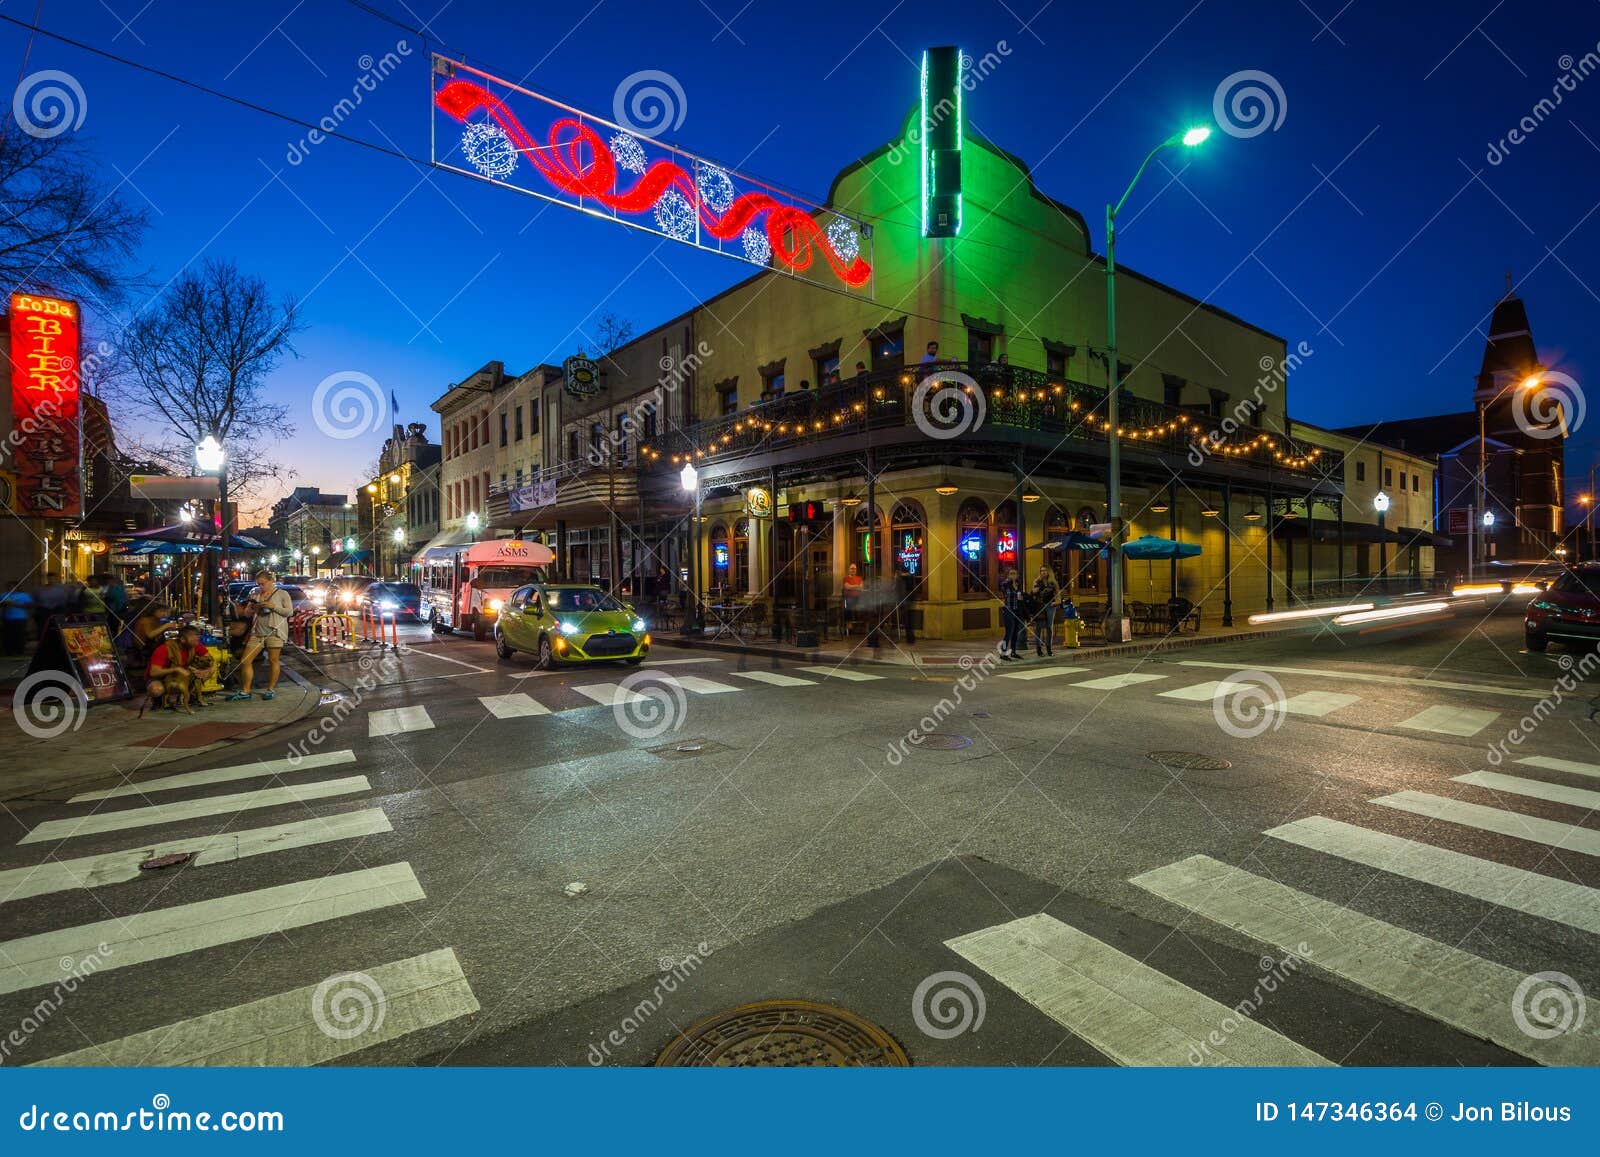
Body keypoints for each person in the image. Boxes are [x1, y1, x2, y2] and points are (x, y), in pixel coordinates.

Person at [228, 571, 293, 701]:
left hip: (274, 631)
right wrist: (251, 608)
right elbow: (247, 615)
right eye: (258, 584)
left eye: (263, 584)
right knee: (245, 660)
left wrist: (273, 606)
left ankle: (270, 689)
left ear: (271, 581)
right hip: (257, 632)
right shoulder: (255, 595)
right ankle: (246, 690)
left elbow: (289, 612)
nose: (261, 587)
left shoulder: (282, 594)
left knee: (273, 660)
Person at [146, 623, 213, 707]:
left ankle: (190, 694)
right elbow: (154, 672)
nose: (196, 638)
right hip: (162, 677)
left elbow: (210, 659)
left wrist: (206, 670)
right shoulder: (164, 649)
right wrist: (176, 669)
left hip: (181, 676)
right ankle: (160, 698)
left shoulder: (195, 645)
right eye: (192, 636)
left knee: (211, 670)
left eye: (197, 635)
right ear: (182, 639)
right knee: (156, 689)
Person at [1032, 565, 1060, 656]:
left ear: (1049, 572)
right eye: (1041, 571)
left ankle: (1049, 648)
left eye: (1045, 570)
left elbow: (1057, 594)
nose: (1043, 572)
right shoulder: (1037, 581)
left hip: (1050, 606)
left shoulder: (1053, 583)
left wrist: (1057, 602)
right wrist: (1037, 589)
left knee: (1049, 627)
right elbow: (1033, 592)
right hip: (1039, 606)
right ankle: (1039, 649)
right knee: (1038, 628)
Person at [998, 566, 1025, 660]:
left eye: (1015, 573)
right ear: (1008, 575)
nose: (1013, 575)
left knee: (1015, 633)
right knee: (1008, 633)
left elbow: (1021, 597)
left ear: (1017, 575)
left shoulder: (1018, 585)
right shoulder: (1005, 584)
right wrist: (1010, 580)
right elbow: (1003, 587)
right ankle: (1003, 653)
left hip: (1017, 610)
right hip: (1008, 610)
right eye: (1011, 573)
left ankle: (1013, 652)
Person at [2, 587, 32, 655]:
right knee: (8, 635)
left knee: (19, 635)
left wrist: (16, 604)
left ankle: (20, 650)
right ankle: (8, 651)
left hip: (20, 618)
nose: (11, 588)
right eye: (9, 586)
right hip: (7, 618)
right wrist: (5, 604)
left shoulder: (24, 595)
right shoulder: (4, 595)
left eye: (13, 586)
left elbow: (29, 605)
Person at [842, 563, 864, 634]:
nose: (853, 570)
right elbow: (847, 587)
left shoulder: (859, 578)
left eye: (854, 569)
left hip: (858, 598)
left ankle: (863, 626)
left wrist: (853, 586)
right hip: (849, 598)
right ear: (849, 570)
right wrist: (856, 586)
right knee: (849, 604)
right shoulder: (846, 578)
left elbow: (861, 588)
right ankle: (849, 625)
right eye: (852, 568)